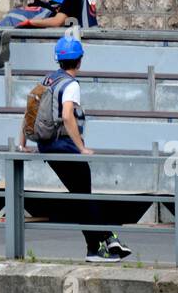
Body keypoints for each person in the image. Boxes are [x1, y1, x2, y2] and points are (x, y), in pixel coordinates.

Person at [17, 36, 132, 263]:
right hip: (65, 148)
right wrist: (82, 148)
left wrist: (23, 144)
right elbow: (67, 115)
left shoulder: (48, 79)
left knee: (81, 196)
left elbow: (29, 112)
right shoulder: (71, 85)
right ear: (79, 61)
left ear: (58, 59)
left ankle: (107, 240)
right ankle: (98, 245)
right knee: (83, 196)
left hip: (47, 147)